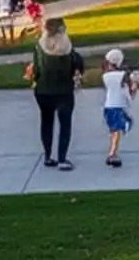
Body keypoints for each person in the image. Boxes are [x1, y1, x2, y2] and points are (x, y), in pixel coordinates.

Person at [30, 17, 83, 171]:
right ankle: (62, 158)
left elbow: (37, 70)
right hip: (64, 91)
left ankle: (47, 156)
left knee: (46, 122)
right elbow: (77, 65)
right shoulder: (67, 47)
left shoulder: (39, 46)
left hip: (43, 91)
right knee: (65, 124)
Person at [101, 48, 136, 168]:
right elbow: (130, 89)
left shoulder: (106, 76)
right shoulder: (121, 75)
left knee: (115, 130)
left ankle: (113, 151)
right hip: (116, 107)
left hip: (109, 106)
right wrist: (134, 84)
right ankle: (112, 154)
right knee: (117, 131)